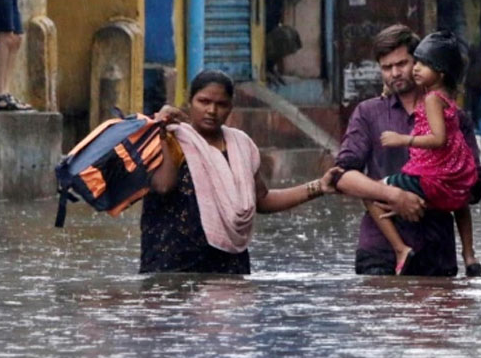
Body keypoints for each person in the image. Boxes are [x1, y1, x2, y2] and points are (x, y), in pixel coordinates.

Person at [142, 69, 343, 274]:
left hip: (228, 266)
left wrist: (319, 186)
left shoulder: (241, 146)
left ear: (231, 107)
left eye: (221, 104)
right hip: (172, 266)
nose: (212, 110)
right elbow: (163, 186)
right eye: (203, 101)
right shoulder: (172, 140)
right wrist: (162, 134)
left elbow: (261, 200)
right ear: (189, 101)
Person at [334, 24, 481, 277]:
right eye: (386, 68)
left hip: (436, 252)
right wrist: (395, 197)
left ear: (420, 62)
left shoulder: (452, 116)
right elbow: (342, 177)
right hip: (381, 253)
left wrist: (430, 193)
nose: (395, 73)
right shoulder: (368, 113)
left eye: (402, 64)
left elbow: (475, 186)